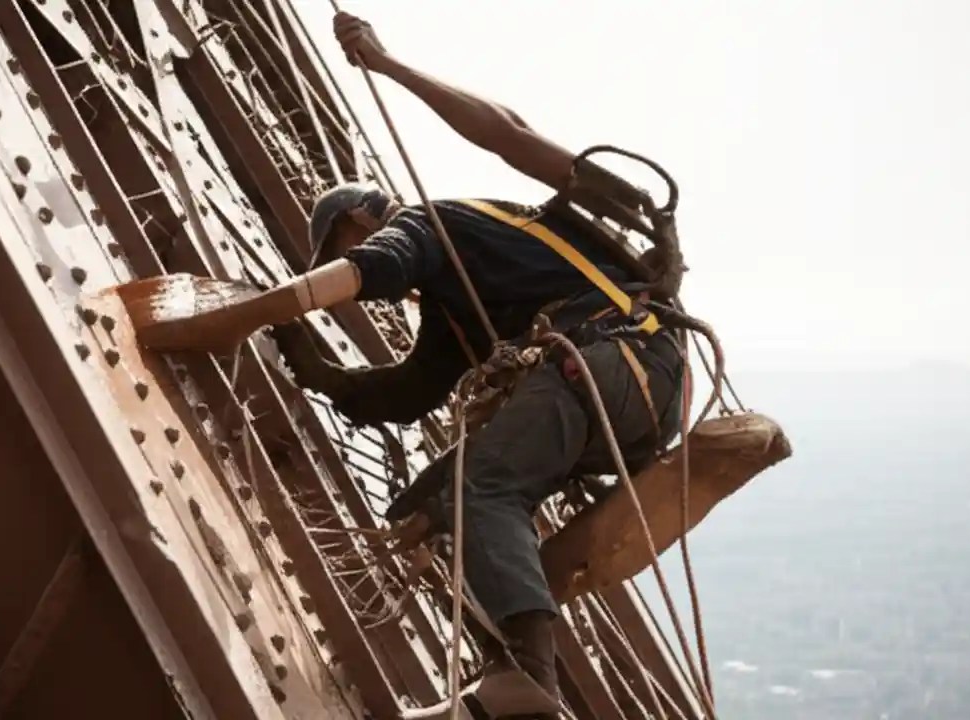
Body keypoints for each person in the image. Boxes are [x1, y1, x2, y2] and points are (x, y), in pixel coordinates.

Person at [133, 12, 687, 718]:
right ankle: (499, 689)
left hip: (609, 361)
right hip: (637, 393)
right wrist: (315, 369)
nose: (347, 254)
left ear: (362, 219)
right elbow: (401, 395)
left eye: (341, 241)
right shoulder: (465, 308)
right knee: (434, 504)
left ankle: (529, 677)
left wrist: (245, 318)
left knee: (484, 490)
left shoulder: (430, 225)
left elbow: (404, 237)